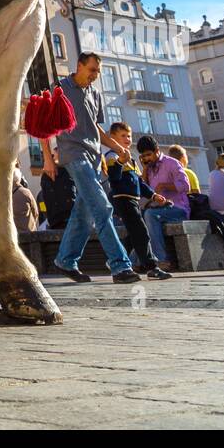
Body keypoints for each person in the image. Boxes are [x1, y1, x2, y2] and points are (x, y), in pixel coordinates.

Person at [44, 52, 140, 284]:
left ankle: (66, 260)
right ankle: (120, 265)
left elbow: (95, 128)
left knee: (84, 214)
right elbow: (44, 124)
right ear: (79, 66)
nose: (95, 75)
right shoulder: (59, 88)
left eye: (98, 71)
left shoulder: (94, 94)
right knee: (101, 206)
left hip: (94, 158)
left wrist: (116, 147)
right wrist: (47, 158)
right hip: (73, 155)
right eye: (92, 70)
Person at [105, 122, 172, 279]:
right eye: (123, 136)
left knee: (132, 234)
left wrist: (153, 195)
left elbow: (139, 182)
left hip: (132, 200)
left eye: (128, 135)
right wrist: (120, 162)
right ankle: (151, 267)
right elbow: (113, 178)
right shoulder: (112, 155)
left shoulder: (131, 157)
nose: (127, 138)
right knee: (141, 232)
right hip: (122, 199)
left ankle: (115, 260)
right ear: (112, 138)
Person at [136, 136, 190, 271]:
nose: (146, 159)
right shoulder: (148, 168)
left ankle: (161, 260)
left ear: (157, 151)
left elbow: (185, 185)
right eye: (143, 156)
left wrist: (165, 186)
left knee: (149, 215)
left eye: (148, 155)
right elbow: (143, 191)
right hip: (158, 210)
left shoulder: (172, 163)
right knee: (137, 220)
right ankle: (138, 260)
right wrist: (144, 171)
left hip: (178, 209)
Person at [38, 142, 76, 230]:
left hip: (55, 220)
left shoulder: (46, 176)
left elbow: (43, 204)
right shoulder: (69, 170)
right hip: (68, 218)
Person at [12, 164, 39, 234]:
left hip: (14, 235)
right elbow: (35, 212)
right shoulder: (26, 192)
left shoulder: (5, 196)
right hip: (29, 233)